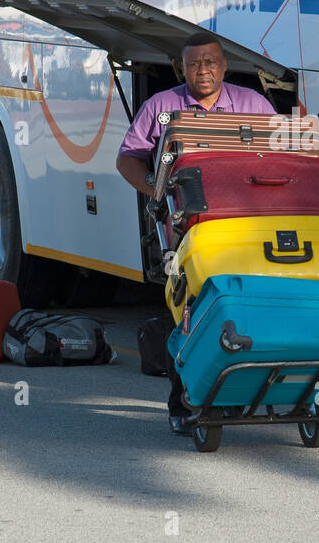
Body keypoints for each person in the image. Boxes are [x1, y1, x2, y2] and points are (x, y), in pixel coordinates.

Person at [116, 31, 276, 434]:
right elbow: (127, 158)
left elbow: (282, 154)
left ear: (223, 66)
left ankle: (245, 394)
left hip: (244, 229)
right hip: (185, 234)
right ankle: (183, 404)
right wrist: (157, 189)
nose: (202, 70)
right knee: (185, 316)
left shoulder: (254, 104)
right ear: (180, 68)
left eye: (210, 62)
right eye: (193, 64)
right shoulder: (162, 107)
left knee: (244, 310)